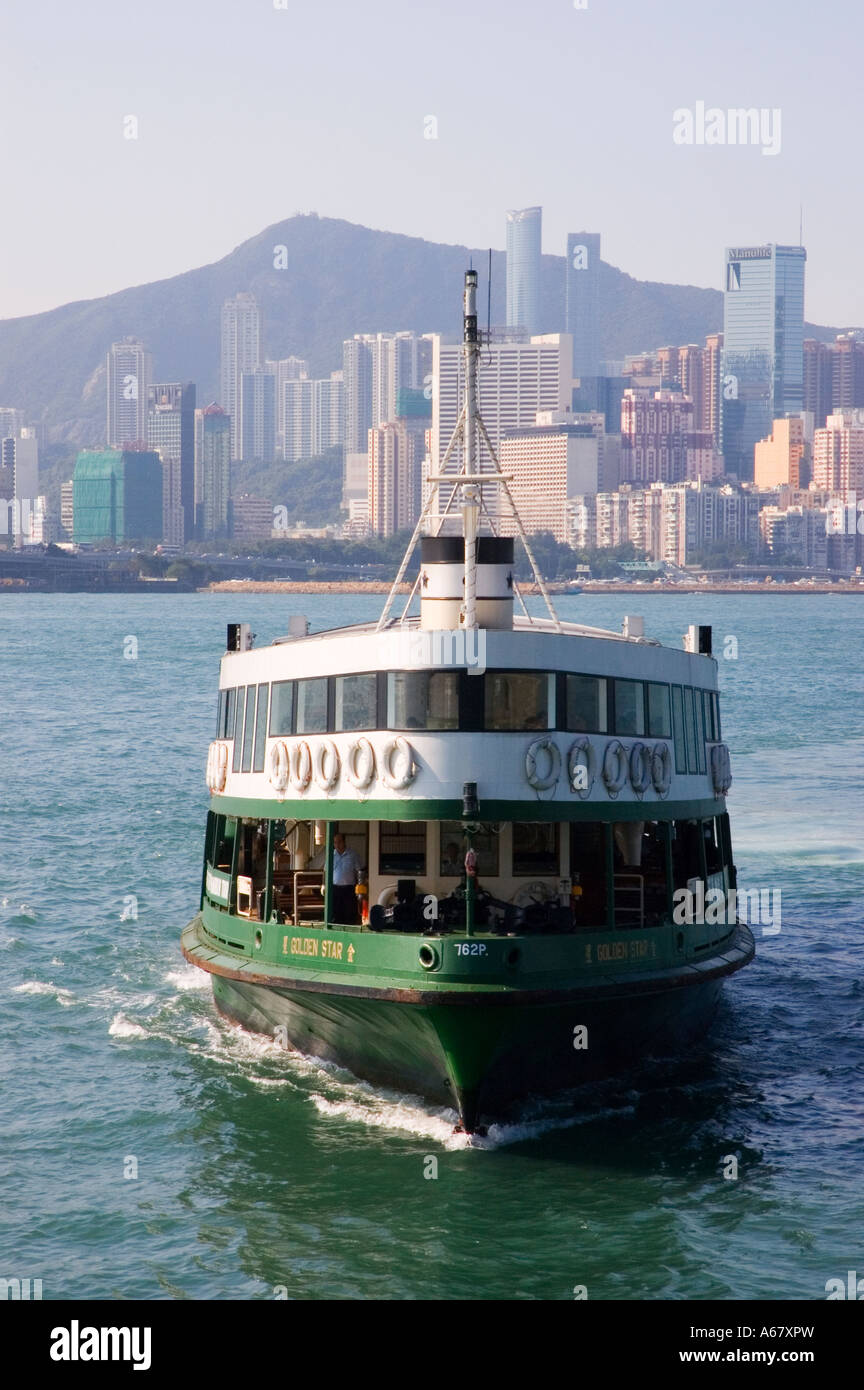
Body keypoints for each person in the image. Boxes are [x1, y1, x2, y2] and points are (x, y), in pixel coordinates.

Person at [332, 832, 363, 924]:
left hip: (349, 888)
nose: (337, 844)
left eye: (339, 842)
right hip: (335, 888)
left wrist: (360, 886)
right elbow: (326, 871)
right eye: (335, 842)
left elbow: (359, 871)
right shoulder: (331, 854)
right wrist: (323, 884)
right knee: (336, 914)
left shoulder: (353, 854)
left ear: (344, 842)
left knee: (350, 914)